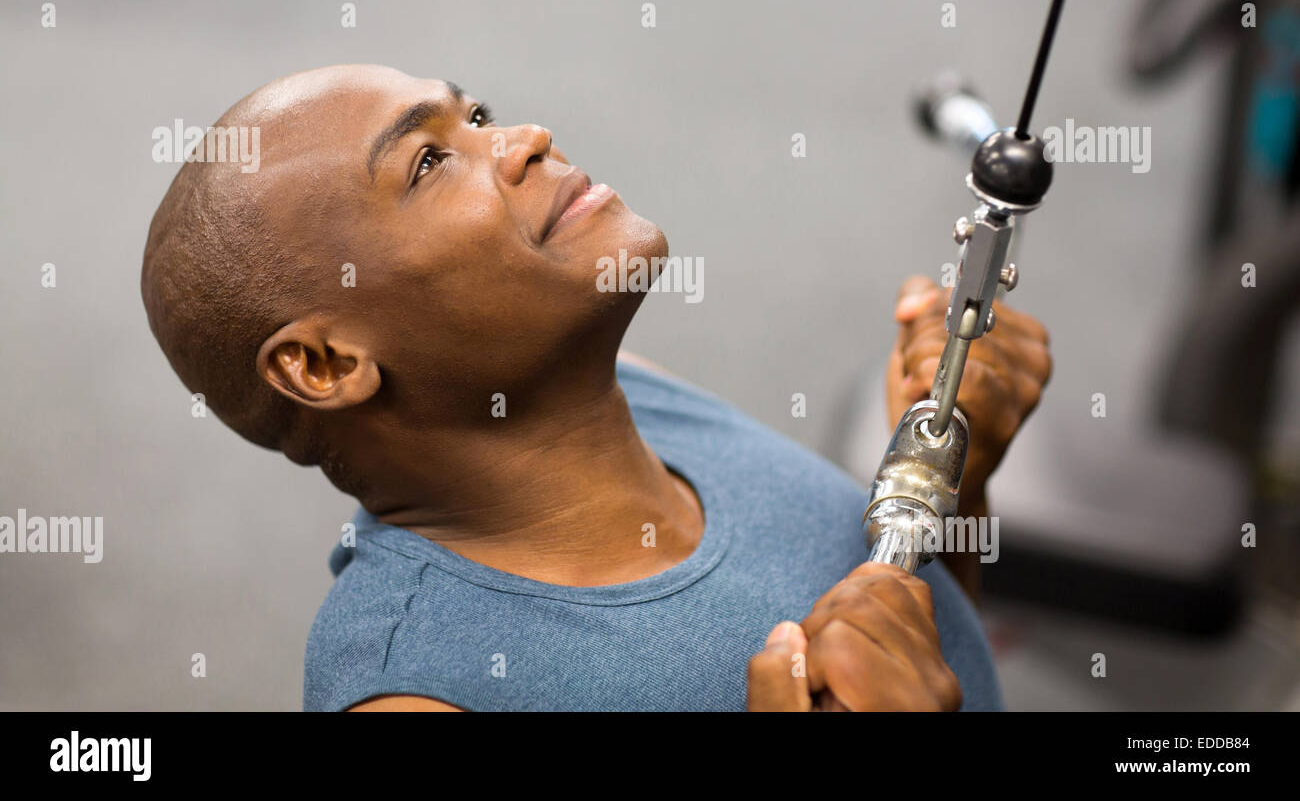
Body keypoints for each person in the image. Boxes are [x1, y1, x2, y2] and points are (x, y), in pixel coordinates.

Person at [140, 64, 1052, 711]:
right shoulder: (415, 690)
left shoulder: (635, 398)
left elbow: (936, 651)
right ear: (327, 365)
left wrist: (952, 482)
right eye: (426, 162)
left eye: (477, 114)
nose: (526, 139)